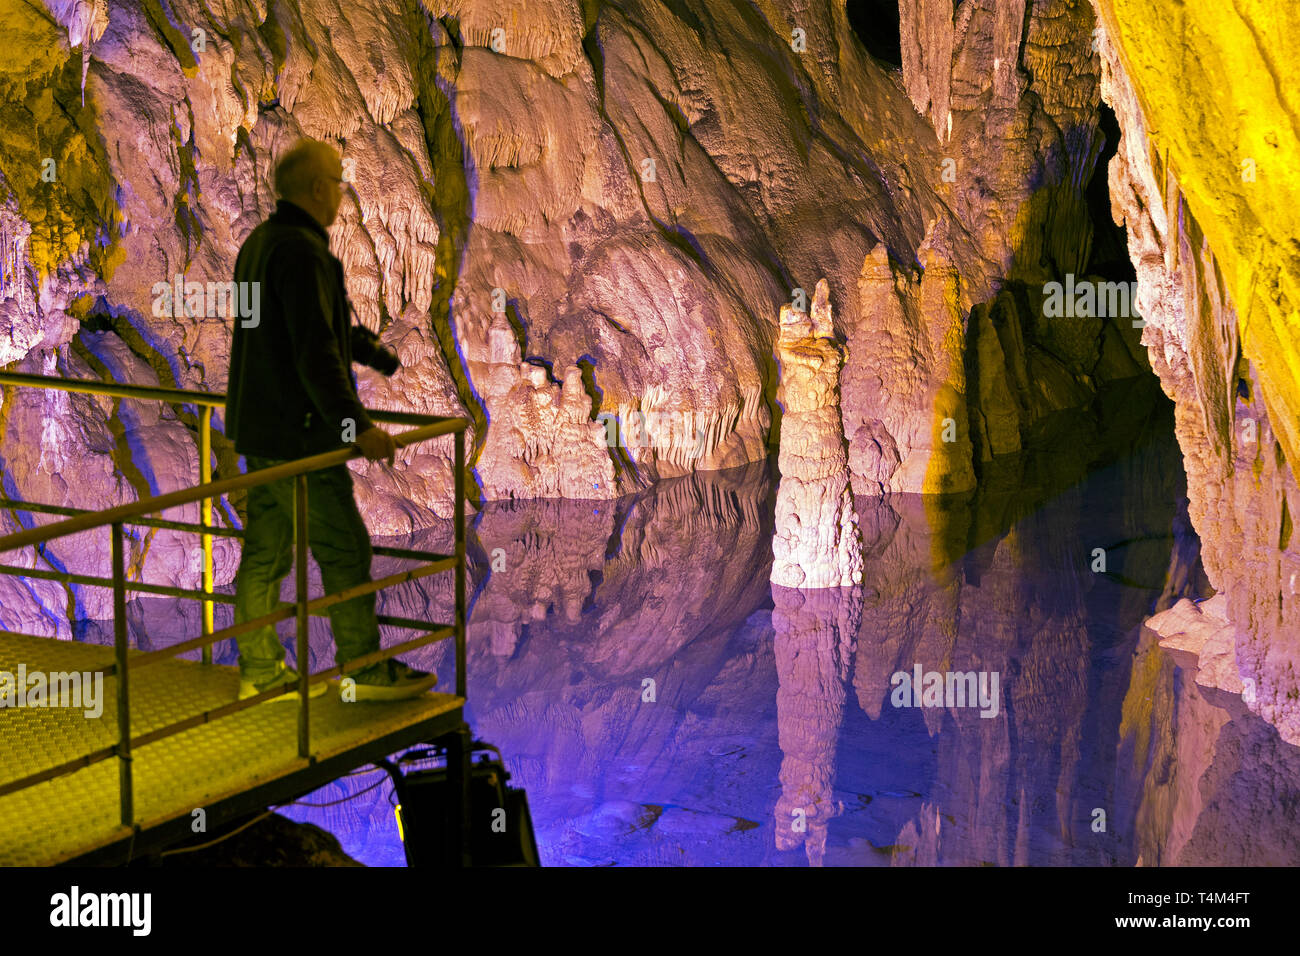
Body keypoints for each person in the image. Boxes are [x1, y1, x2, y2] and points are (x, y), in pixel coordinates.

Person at [225, 138, 437, 703]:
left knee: (266, 553)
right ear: (318, 189)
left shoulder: (261, 244)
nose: (342, 192)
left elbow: (306, 328)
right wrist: (356, 425)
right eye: (338, 181)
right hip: (301, 436)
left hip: (261, 431)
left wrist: (375, 354)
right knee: (343, 548)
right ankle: (364, 669)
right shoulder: (302, 252)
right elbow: (313, 351)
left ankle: (259, 668)